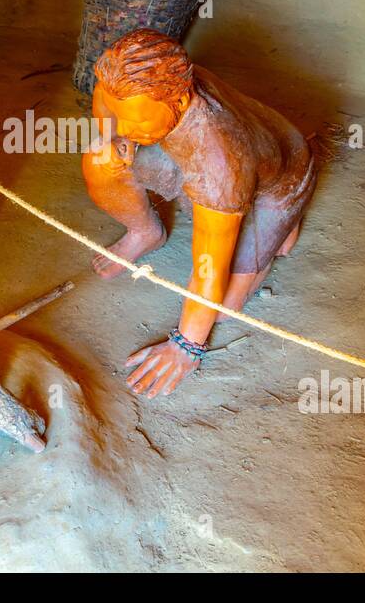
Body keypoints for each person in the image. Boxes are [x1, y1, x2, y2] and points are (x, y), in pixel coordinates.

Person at [82, 29, 317, 398]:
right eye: (121, 115)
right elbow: (108, 120)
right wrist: (117, 137)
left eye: (139, 123)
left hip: (278, 179)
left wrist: (186, 346)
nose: (125, 129)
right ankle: (146, 232)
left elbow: (208, 264)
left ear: (179, 100)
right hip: (210, 164)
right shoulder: (125, 86)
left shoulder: (220, 158)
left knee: (220, 310)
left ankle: (279, 228)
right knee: (102, 157)